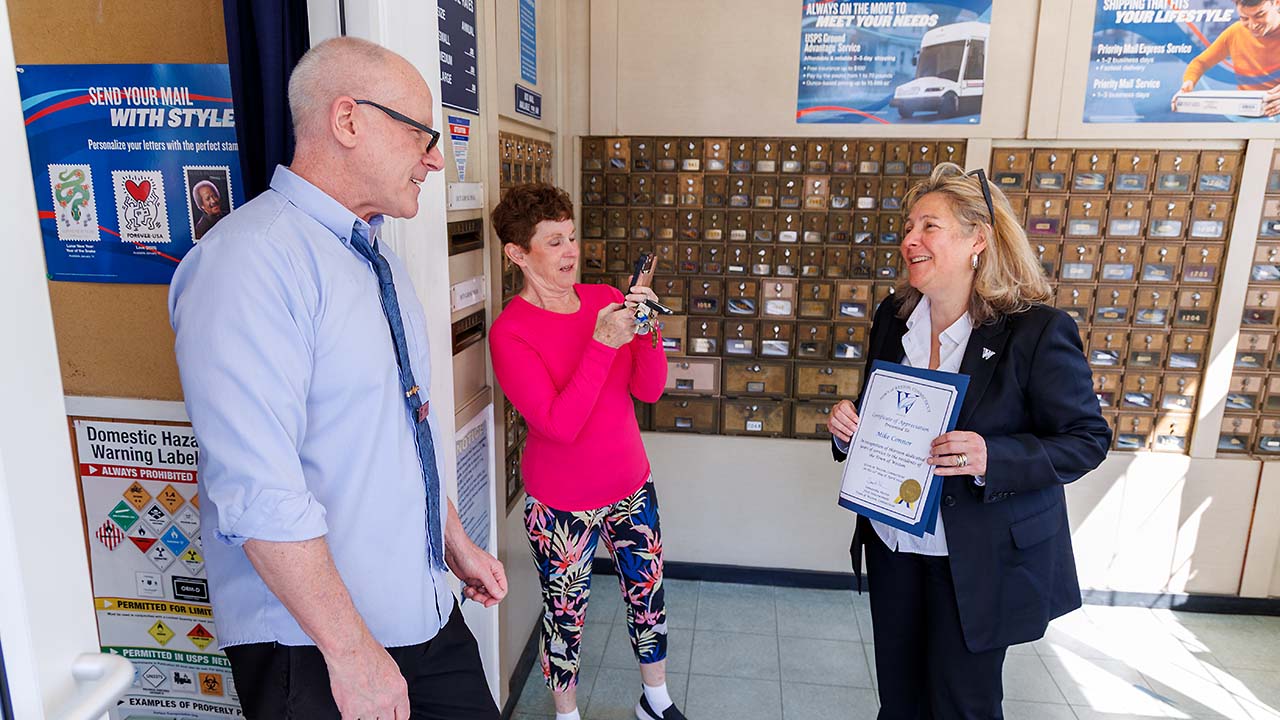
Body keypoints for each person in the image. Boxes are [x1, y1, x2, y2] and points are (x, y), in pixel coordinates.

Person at [169, 37, 506, 720]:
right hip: (318, 652)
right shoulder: (250, 263)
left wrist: (451, 539)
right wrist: (351, 655)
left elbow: (391, 434)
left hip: (424, 618)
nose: (435, 158)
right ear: (348, 120)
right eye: (422, 135)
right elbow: (257, 491)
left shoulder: (368, 256)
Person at [827, 163, 1111, 719]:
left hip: (975, 561)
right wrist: (849, 428)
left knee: (963, 706)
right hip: (895, 547)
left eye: (928, 226)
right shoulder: (894, 317)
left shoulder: (1035, 330)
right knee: (900, 705)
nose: (909, 239)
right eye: (908, 227)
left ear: (978, 239)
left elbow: (1086, 439)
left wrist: (992, 456)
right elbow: (882, 415)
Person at [488, 184, 686, 720]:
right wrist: (602, 343)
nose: (570, 251)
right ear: (517, 253)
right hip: (560, 503)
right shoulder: (510, 334)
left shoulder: (602, 298)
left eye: (571, 237)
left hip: (630, 484)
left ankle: (655, 698)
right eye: (553, 242)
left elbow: (648, 390)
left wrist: (646, 329)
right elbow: (557, 425)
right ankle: (567, 713)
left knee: (648, 594)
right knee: (565, 616)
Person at [1171, 0, 1280, 116]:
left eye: (1260, 15)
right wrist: (1187, 84)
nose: (1253, 25)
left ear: (1277, 3)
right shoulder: (1235, 33)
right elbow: (1200, 63)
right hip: (1246, 114)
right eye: (1244, 18)